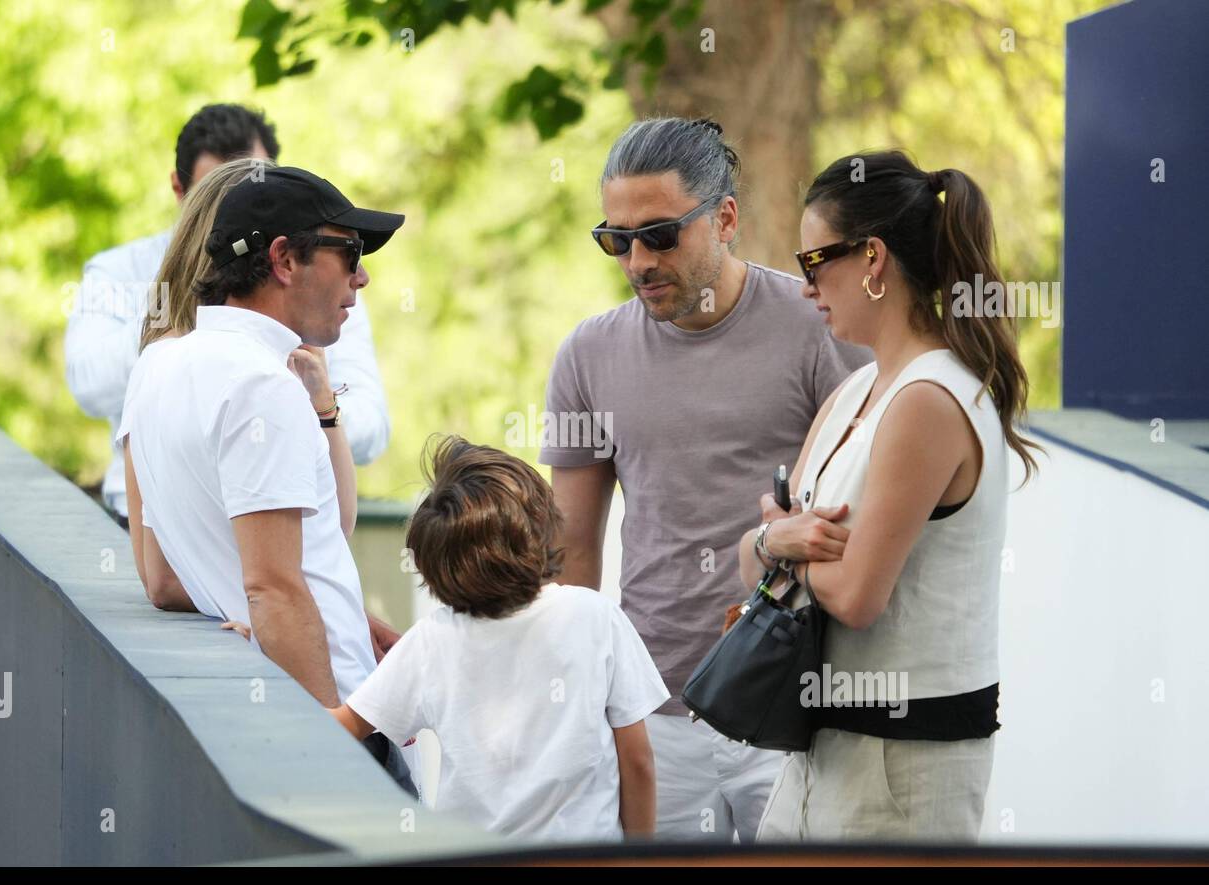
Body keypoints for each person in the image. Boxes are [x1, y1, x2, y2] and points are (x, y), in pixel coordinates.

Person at [539, 117, 871, 842]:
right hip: (653, 708)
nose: (636, 260)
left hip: (798, 707)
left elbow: (864, 518)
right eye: (615, 239)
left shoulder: (821, 327)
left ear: (725, 218)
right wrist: (580, 704)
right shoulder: (586, 356)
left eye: (660, 235)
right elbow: (571, 558)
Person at [739, 151, 1042, 842]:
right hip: (819, 753)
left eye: (814, 261)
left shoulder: (928, 400)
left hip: (901, 766)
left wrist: (783, 547)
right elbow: (753, 561)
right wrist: (773, 543)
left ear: (872, 258)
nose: (804, 284)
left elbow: (856, 596)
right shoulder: (855, 391)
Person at [115, 165, 414, 791]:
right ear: (283, 258)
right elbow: (275, 588)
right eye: (350, 252)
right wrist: (337, 752)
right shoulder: (260, 385)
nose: (362, 276)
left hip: (266, 714)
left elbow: (166, 583)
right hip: (330, 723)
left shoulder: (158, 366)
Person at [66, 104, 391, 527]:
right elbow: (87, 384)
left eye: (255, 190)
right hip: (144, 524)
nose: (240, 212)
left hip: (292, 518)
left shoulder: (325, 287)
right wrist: (198, 304)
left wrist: (312, 409)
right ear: (180, 192)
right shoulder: (119, 274)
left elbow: (371, 428)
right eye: (216, 197)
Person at [330, 436, 669, 841]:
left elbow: (343, 726)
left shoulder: (432, 639)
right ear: (539, 523)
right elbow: (638, 762)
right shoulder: (595, 617)